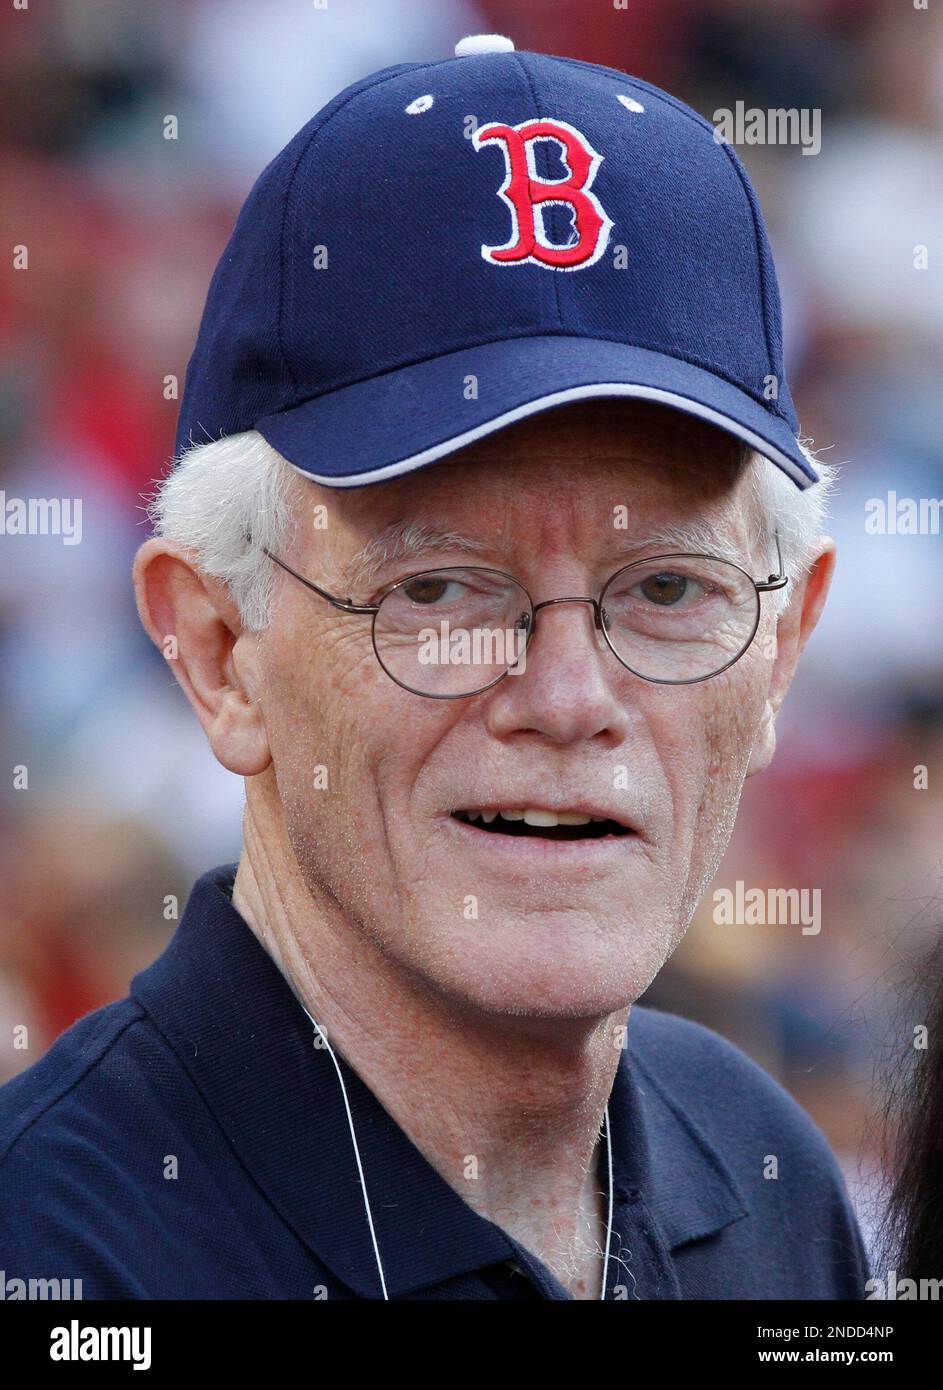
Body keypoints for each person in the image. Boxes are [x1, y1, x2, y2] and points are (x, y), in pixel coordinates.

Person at [0, 33, 868, 1300]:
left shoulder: (758, 1165)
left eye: (669, 588)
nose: (570, 699)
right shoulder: (53, 1260)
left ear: (782, 651)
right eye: (439, 588)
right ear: (220, 653)